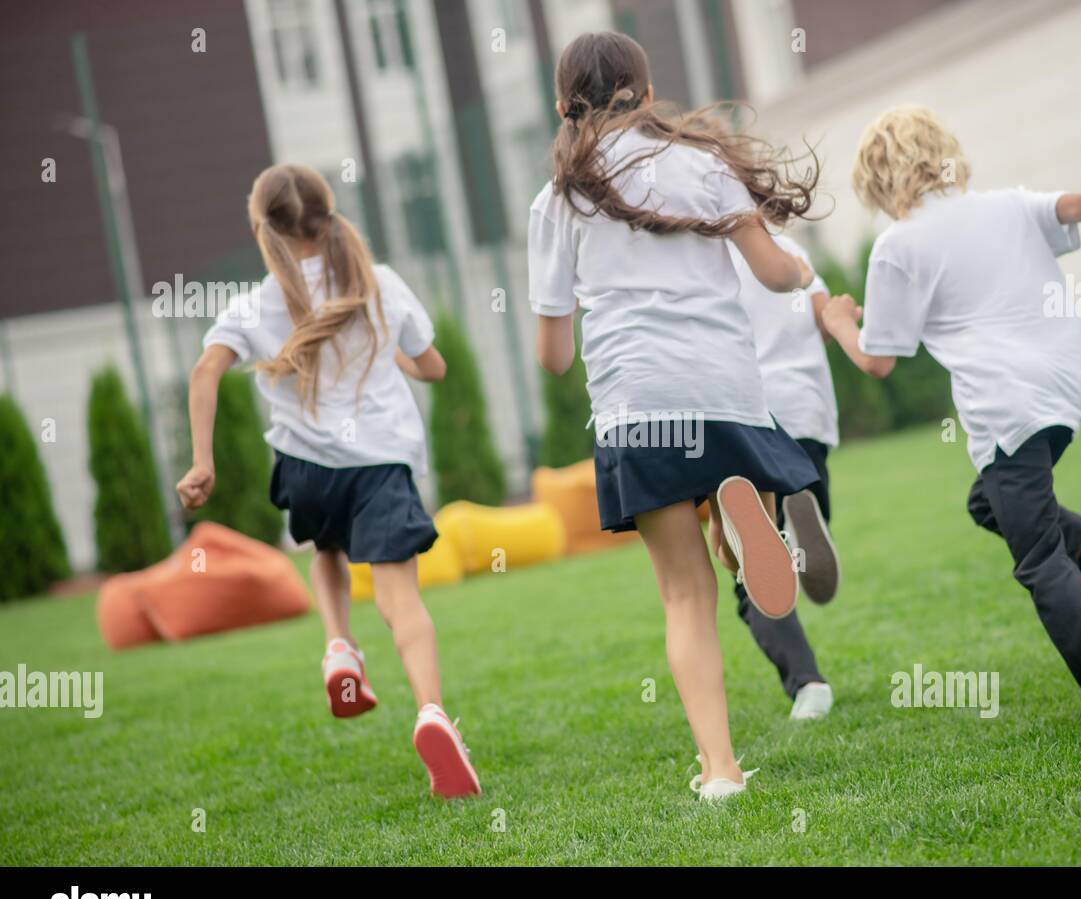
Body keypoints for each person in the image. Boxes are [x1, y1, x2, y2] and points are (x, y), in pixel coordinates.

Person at [822, 105, 1081, 726]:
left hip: (1008, 409)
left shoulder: (898, 245)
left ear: (878, 180)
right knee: (987, 503)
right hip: (1064, 393)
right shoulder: (1006, 205)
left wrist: (836, 325)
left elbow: (878, 362)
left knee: (1037, 557)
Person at [528, 32, 822, 800]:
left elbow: (554, 356)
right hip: (722, 388)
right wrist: (800, 270)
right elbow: (772, 272)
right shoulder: (704, 163)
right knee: (734, 505)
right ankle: (747, 522)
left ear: (563, 107)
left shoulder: (557, 198)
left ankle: (720, 770)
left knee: (683, 597)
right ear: (648, 94)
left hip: (636, 405)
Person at [177, 163, 481, 796]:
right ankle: (432, 713)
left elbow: (205, 371)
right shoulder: (381, 285)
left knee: (326, 550)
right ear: (330, 212)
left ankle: (339, 647)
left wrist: (202, 461)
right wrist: (389, 351)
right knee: (403, 604)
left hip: (307, 470)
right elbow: (434, 368)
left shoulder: (256, 303)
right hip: (379, 464)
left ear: (266, 231)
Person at [726, 233, 839, 720]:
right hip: (806, 407)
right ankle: (801, 536)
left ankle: (808, 684)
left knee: (748, 566)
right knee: (809, 506)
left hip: (750, 414)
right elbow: (826, 318)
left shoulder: (708, 258)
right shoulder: (791, 248)